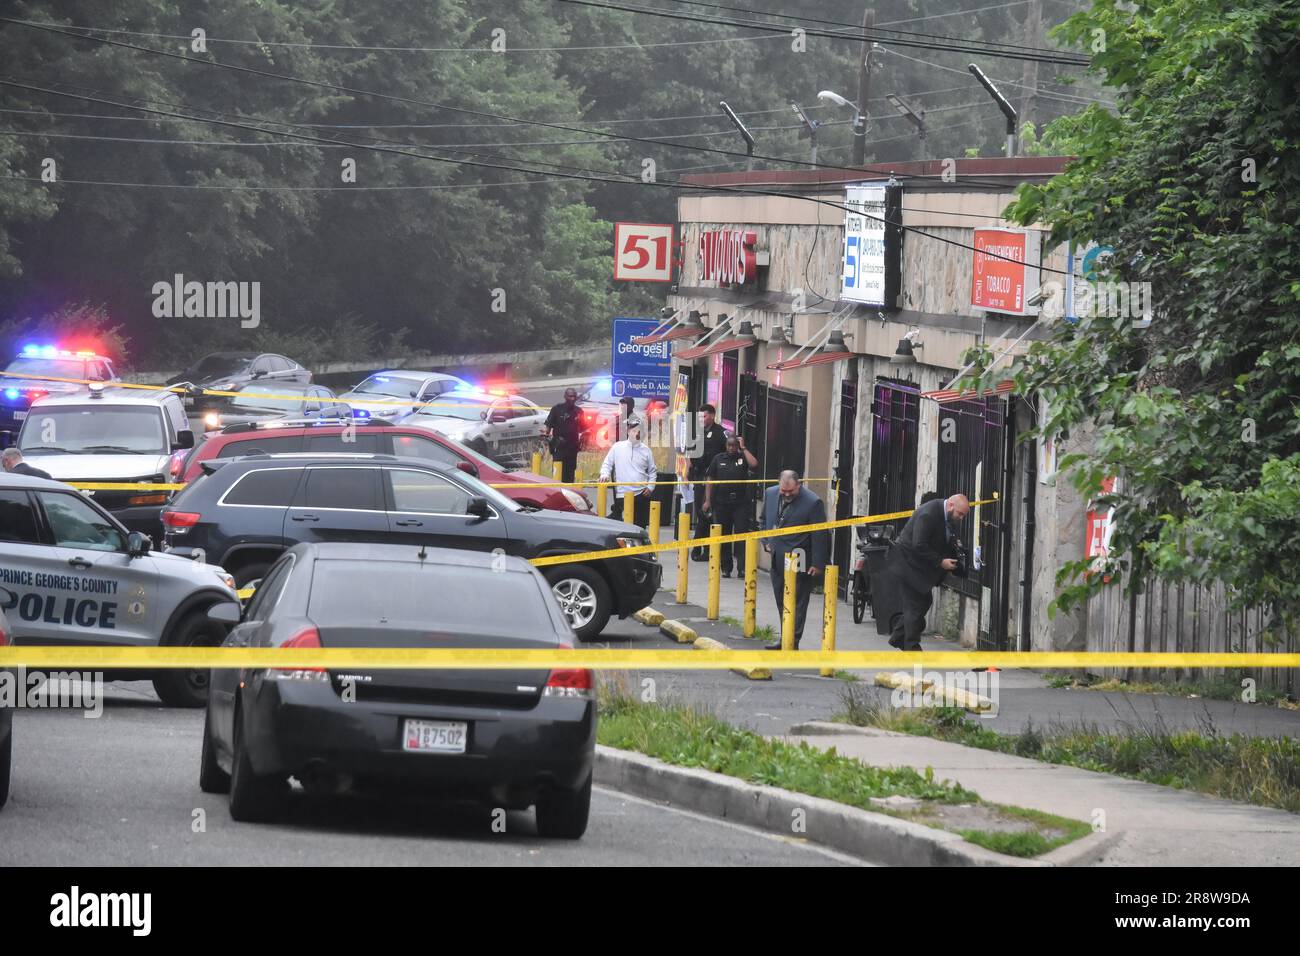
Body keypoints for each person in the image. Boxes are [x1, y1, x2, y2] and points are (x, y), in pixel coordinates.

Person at [874, 493, 970, 651]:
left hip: (916, 567)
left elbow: (941, 539)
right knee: (915, 605)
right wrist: (940, 562)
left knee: (924, 602)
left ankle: (898, 637)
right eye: (960, 514)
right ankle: (911, 646)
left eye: (964, 515)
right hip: (908, 564)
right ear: (951, 505)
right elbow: (919, 544)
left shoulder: (947, 515)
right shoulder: (929, 514)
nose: (961, 518)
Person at [760, 470, 829, 650]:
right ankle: (785, 636)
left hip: (800, 559)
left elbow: (820, 534)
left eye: (791, 491)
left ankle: (793, 640)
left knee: (797, 602)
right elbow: (763, 520)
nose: (788, 494)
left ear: (799, 485)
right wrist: (766, 541)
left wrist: (818, 563)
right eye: (784, 491)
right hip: (777, 558)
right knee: (780, 599)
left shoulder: (813, 502)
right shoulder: (771, 494)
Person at [702, 433, 758, 577]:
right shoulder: (718, 459)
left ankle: (742, 568)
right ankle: (726, 568)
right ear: (726, 446)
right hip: (722, 503)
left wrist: (744, 448)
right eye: (729, 445)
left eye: (734, 445)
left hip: (740, 503)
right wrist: (707, 500)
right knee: (724, 536)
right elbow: (710, 480)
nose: (732, 448)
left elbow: (754, 464)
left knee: (740, 535)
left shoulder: (742, 457)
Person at [598, 417, 657, 527]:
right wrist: (604, 474)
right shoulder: (617, 447)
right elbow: (607, 464)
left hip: (641, 494)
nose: (636, 433)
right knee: (624, 527)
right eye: (634, 431)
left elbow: (652, 471)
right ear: (628, 431)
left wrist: (650, 487)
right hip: (622, 494)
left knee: (639, 527)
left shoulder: (646, 450)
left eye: (639, 431)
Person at [689, 404, 728, 560]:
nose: (702, 419)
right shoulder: (697, 433)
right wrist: (687, 472)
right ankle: (701, 549)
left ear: (712, 415)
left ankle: (701, 548)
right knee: (701, 512)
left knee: (708, 514)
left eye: (704, 416)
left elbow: (729, 452)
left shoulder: (721, 433)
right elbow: (691, 455)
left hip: (714, 479)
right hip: (699, 477)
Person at [543, 387, 583, 484]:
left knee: (570, 475)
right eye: (570, 396)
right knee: (558, 474)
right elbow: (548, 426)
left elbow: (583, 428)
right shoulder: (557, 409)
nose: (572, 398)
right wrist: (546, 438)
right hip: (559, 447)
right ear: (565, 396)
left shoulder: (579, 411)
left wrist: (584, 440)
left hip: (572, 448)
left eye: (574, 396)